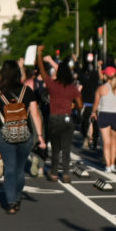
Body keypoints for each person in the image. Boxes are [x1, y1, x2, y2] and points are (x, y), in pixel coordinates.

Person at [0, 59, 45, 214]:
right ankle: (18, 195)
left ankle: (11, 202)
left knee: (10, 168)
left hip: (4, 134)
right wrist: (39, 136)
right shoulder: (27, 91)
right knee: (20, 169)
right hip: (25, 134)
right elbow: (35, 115)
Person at [37, 45, 81, 183]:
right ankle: (66, 174)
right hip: (67, 117)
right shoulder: (72, 87)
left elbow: (42, 72)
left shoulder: (52, 85)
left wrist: (39, 54)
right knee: (66, 147)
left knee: (55, 148)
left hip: (54, 117)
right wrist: (72, 104)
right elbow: (80, 105)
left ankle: (54, 173)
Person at [92, 65, 116, 172]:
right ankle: (113, 164)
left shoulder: (101, 89)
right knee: (114, 141)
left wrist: (93, 112)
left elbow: (96, 103)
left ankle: (107, 165)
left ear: (106, 76)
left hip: (104, 115)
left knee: (106, 142)